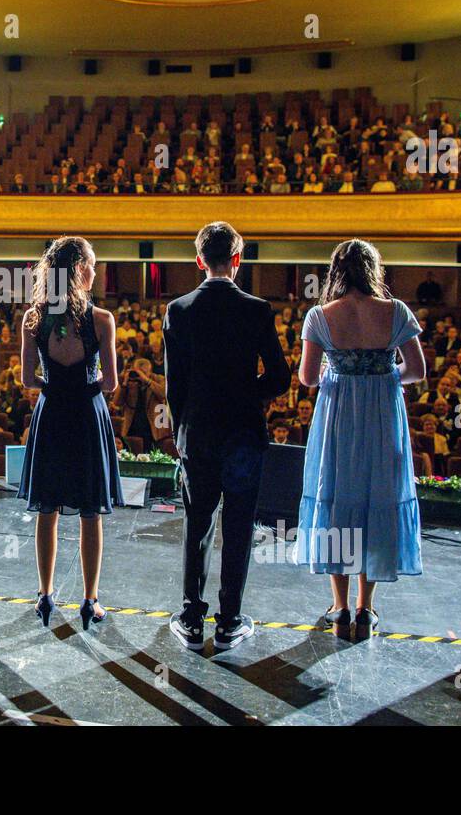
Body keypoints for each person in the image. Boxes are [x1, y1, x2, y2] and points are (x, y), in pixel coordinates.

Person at [163, 222, 290, 651]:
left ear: (199, 260)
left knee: (197, 524)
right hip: (242, 433)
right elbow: (279, 376)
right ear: (238, 259)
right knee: (238, 527)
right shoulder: (257, 309)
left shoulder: (178, 310)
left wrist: (182, 429)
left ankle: (192, 618)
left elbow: (173, 385)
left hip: (197, 433)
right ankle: (230, 620)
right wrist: (245, 395)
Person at [294, 240, 427, 637]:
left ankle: (338, 607)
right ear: (373, 270)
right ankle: (365, 608)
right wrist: (383, 379)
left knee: (338, 498)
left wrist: (342, 376)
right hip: (383, 416)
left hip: (338, 417)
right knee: (376, 497)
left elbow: (308, 377)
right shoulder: (396, 311)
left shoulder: (320, 316)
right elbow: (417, 370)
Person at [19, 237, 122, 630]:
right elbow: (110, 384)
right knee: (90, 511)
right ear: (80, 269)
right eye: (93, 264)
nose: (96, 271)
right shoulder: (101, 320)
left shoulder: (33, 317)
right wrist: (88, 376)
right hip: (87, 413)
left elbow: (29, 380)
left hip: (52, 412)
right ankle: (90, 600)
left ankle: (44, 595)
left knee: (48, 508)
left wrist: (53, 380)